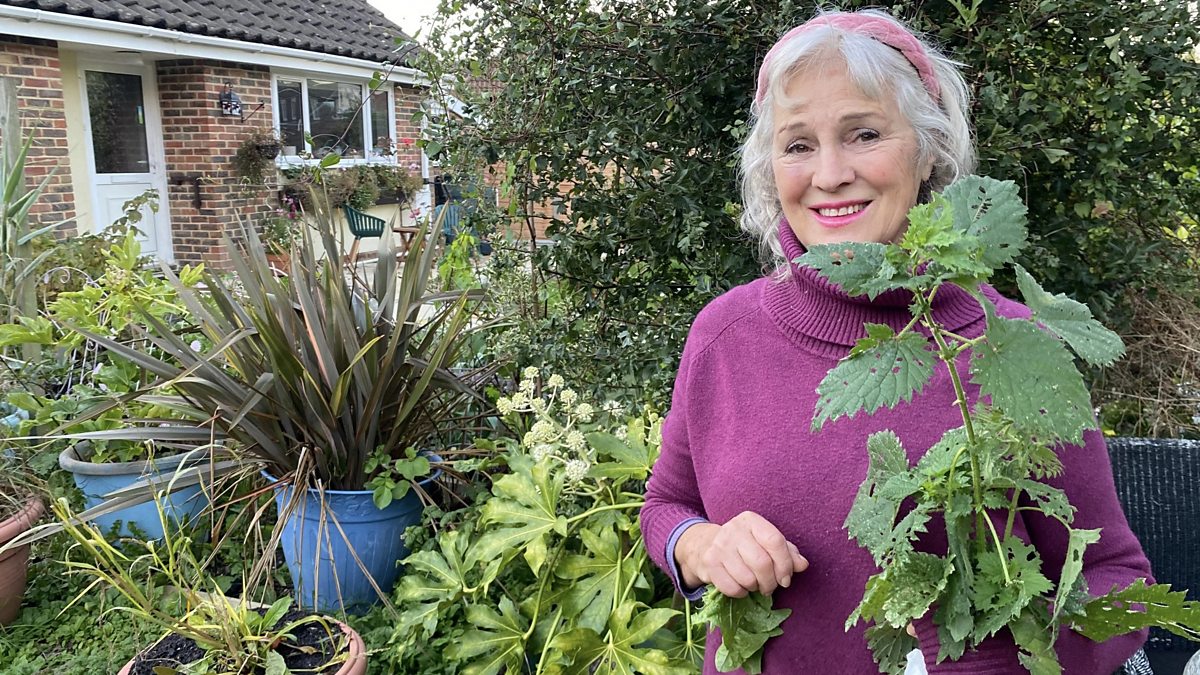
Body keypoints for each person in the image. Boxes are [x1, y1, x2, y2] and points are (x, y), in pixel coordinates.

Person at [639, 9, 1153, 674]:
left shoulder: (1015, 348)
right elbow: (665, 504)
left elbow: (1122, 583)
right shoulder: (724, 335)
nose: (828, 174)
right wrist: (700, 545)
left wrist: (1008, 654)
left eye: (864, 134)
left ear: (929, 147)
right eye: (798, 145)